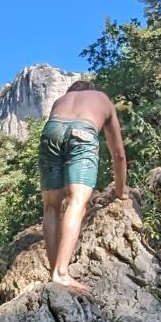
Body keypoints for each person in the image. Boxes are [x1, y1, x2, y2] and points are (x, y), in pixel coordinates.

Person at [38, 79, 128, 294]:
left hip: (51, 132)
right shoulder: (103, 99)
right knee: (77, 201)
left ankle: (55, 272)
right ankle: (61, 274)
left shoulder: (61, 100)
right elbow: (119, 154)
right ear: (92, 90)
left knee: (51, 207)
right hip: (83, 132)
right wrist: (120, 191)